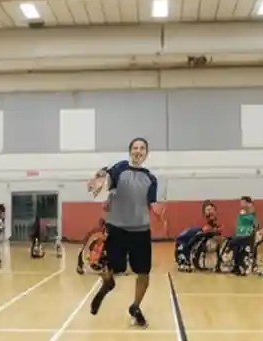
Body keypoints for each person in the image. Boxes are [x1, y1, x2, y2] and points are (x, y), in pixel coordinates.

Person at [86, 137, 164, 327]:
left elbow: (152, 203)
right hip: (117, 229)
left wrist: (158, 213)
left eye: (142, 148)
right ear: (130, 151)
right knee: (112, 267)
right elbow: (104, 182)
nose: (138, 151)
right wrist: (98, 186)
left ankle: (135, 307)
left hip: (141, 231)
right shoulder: (120, 168)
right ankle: (107, 284)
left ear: (146, 153)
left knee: (144, 273)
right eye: (135, 147)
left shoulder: (151, 179)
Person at [175, 200, 221, 270]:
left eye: (212, 210)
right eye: (208, 210)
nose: (210, 211)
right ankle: (184, 258)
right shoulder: (201, 228)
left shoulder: (216, 225)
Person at [228, 196, 259, 276]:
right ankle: (237, 267)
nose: (241, 203)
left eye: (243, 202)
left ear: (248, 203)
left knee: (233, 242)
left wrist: (252, 230)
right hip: (240, 235)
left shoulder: (252, 213)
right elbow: (239, 225)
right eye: (241, 202)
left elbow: (256, 225)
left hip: (248, 236)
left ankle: (228, 250)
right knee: (235, 248)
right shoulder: (241, 212)